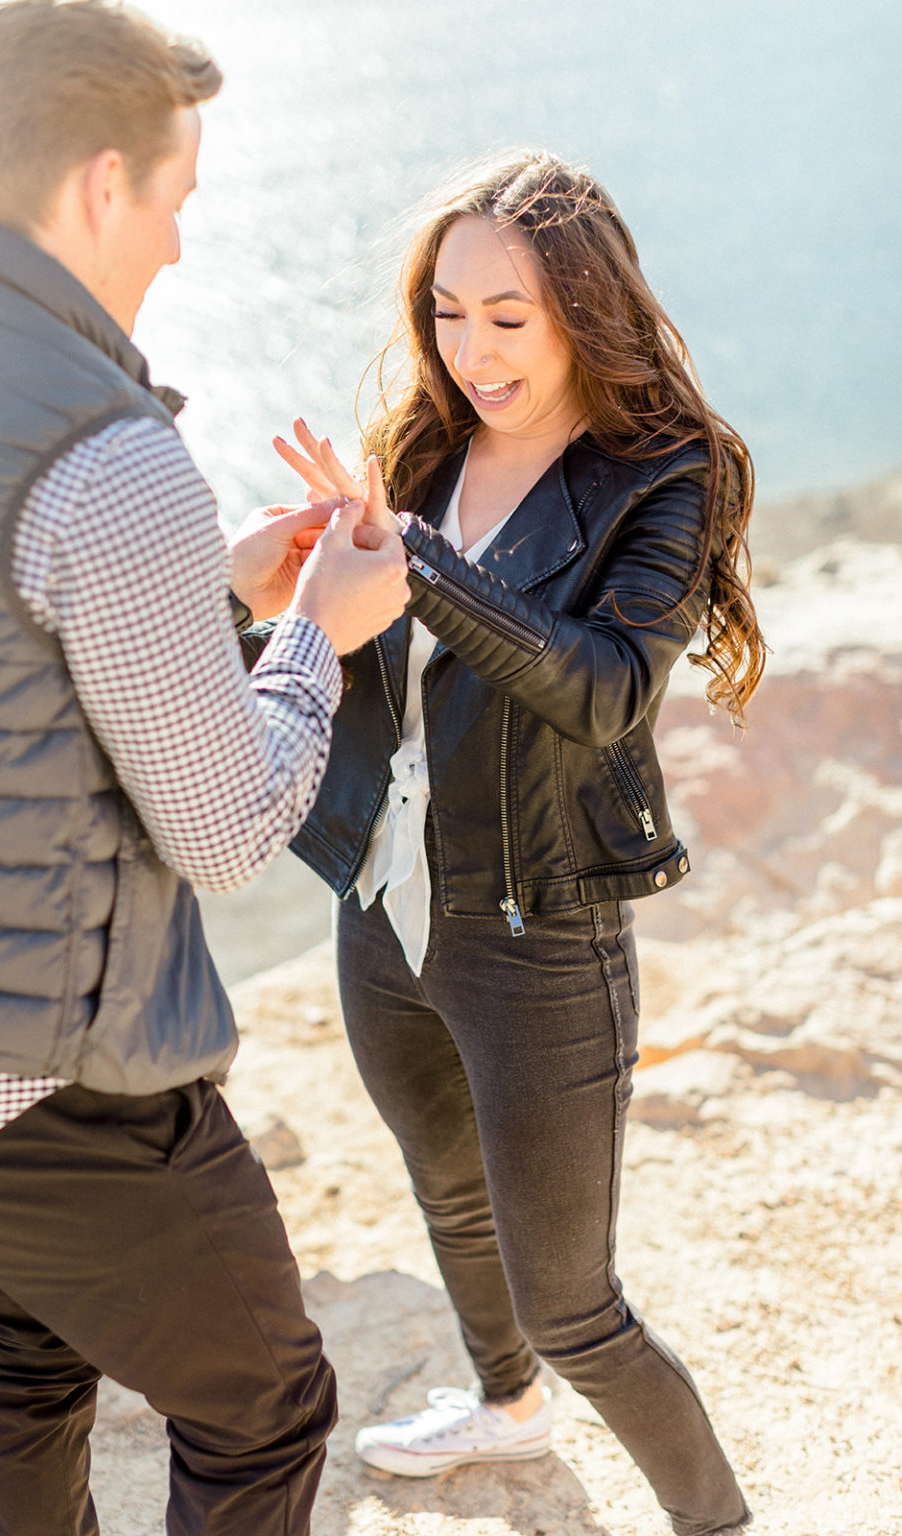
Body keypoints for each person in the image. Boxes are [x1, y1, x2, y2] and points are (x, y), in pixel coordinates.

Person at [0, 3, 409, 1534]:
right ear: (102, 185)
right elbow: (231, 824)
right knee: (267, 1403)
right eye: (174, 202)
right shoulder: (106, 458)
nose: (178, 245)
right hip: (57, 1074)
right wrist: (321, 626)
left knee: (29, 1364)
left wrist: (200, 586)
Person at [274, 151, 765, 1536]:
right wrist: (270, 586)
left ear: (584, 311)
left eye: (511, 316)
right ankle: (505, 1407)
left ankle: (716, 1521)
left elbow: (609, 688)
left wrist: (418, 562)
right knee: (445, 1190)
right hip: (382, 905)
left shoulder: (664, 476)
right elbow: (354, 652)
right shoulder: (424, 446)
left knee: (576, 1303)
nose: (472, 350)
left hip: (541, 933)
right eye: (446, 311)